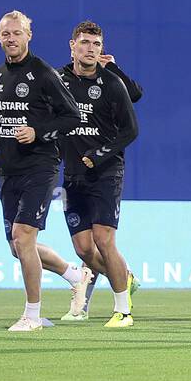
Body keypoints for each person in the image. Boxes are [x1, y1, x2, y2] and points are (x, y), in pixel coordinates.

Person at [0, 11, 87, 331]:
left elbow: (71, 117)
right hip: (9, 169)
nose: (10, 38)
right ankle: (74, 275)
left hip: (41, 165)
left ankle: (33, 316)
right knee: (17, 246)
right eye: (5, 34)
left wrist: (37, 131)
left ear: (28, 36)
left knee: (23, 237)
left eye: (16, 33)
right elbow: (2, 123)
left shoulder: (43, 73)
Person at [57, 21, 139, 327]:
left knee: (104, 240)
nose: (90, 49)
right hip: (72, 174)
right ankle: (125, 277)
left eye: (96, 44)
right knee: (84, 250)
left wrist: (99, 154)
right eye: (85, 43)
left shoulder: (111, 83)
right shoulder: (58, 79)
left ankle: (123, 311)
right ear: (72, 45)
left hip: (106, 172)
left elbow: (131, 130)